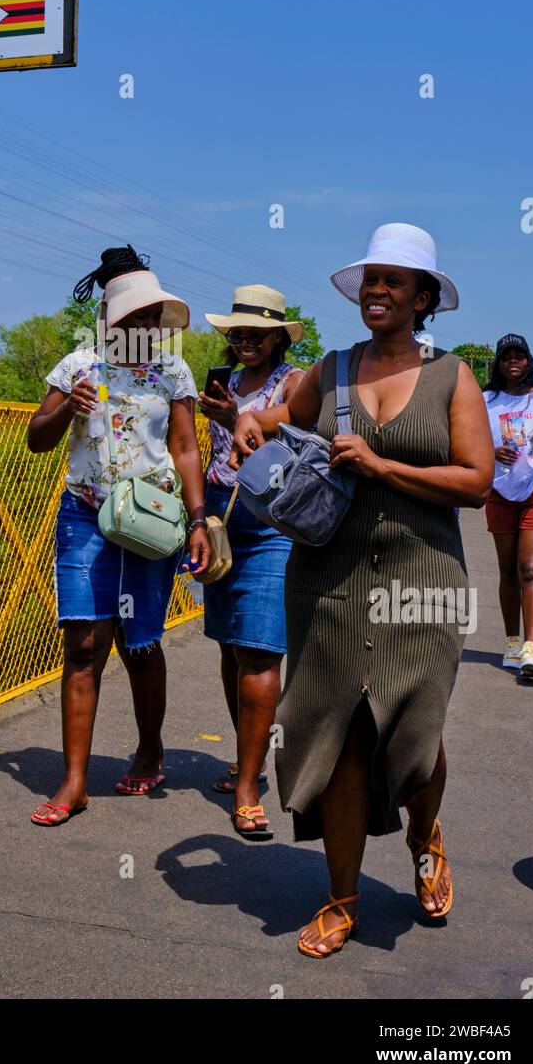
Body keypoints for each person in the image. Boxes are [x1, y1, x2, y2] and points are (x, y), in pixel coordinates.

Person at [230, 223, 494, 956]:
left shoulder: (452, 375)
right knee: (343, 738)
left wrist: (382, 469)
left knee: (413, 735)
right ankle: (341, 898)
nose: (378, 291)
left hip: (424, 583)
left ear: (423, 298)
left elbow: (476, 481)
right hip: (328, 580)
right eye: (371, 279)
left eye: (394, 281)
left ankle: (424, 830)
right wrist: (254, 423)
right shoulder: (334, 367)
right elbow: (278, 419)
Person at [26, 245, 210, 825]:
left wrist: (200, 518)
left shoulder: (173, 371)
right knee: (83, 645)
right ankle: (75, 781)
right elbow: (37, 437)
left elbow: (184, 448)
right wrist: (66, 411)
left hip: (151, 521)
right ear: (109, 318)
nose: (145, 325)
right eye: (133, 316)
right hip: (86, 515)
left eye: (152, 317)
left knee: (141, 645)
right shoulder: (78, 367)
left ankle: (150, 749)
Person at [198, 286, 305, 839]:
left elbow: (300, 444)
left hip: (271, 523)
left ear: (278, 338)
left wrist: (236, 415)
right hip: (222, 516)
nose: (243, 342)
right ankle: (245, 758)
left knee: (261, 650)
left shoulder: (294, 383)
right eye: (236, 333)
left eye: (255, 334)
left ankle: (248, 784)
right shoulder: (225, 378)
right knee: (228, 642)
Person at [483, 334, 533, 677]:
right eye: (506, 357)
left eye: (519, 356)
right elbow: (465, 440)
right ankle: (512, 641)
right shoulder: (485, 400)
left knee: (530, 568)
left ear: (529, 361)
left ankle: (532, 647)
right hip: (499, 491)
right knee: (506, 570)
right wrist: (489, 453)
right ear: (498, 364)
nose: (513, 361)